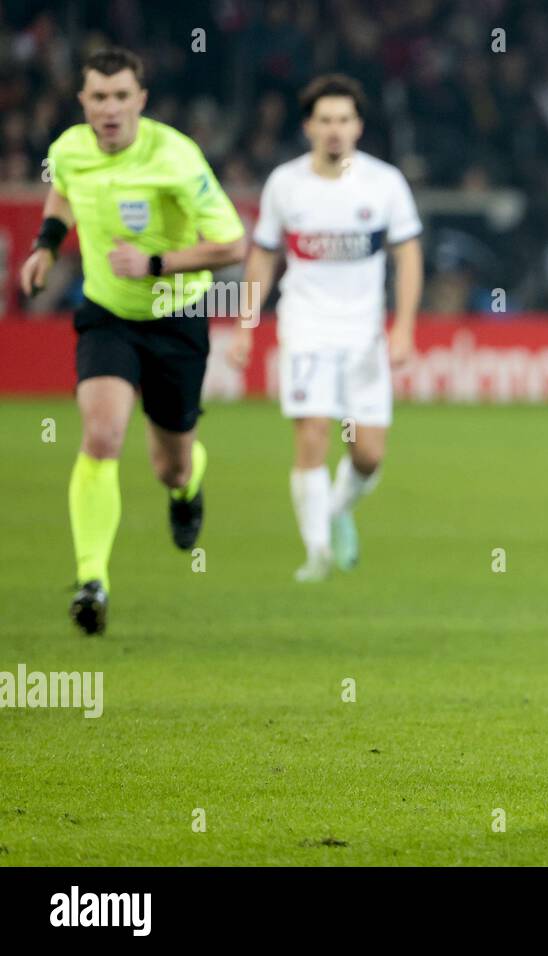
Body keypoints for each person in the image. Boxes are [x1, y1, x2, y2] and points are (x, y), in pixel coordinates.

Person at [19, 47, 247, 636]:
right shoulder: (68, 149)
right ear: (84, 102)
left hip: (176, 318)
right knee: (101, 434)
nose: (111, 109)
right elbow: (63, 190)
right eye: (99, 97)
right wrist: (46, 246)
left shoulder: (176, 157)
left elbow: (232, 244)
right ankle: (92, 580)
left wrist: (155, 260)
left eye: (122, 96)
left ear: (141, 100)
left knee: (168, 465)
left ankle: (187, 487)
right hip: (107, 315)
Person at [227, 74, 423, 582]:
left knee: (368, 454)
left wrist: (402, 327)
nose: (335, 130)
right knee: (313, 433)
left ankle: (337, 511)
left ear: (357, 126)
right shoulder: (286, 184)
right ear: (309, 127)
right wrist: (246, 325)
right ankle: (315, 552)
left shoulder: (384, 183)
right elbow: (262, 260)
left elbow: (409, 255)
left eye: (344, 120)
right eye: (325, 120)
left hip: (364, 335)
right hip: (306, 327)